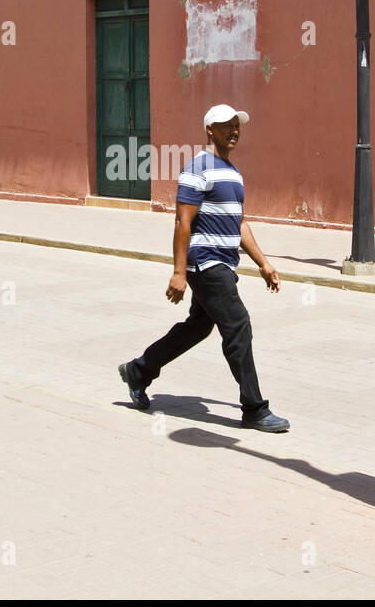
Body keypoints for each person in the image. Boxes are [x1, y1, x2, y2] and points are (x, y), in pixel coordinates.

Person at [117, 103, 290, 433]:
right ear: (210, 130)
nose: (235, 130)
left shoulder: (233, 173)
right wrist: (179, 272)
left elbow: (239, 224)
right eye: (227, 125)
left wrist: (264, 264)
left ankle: (139, 371)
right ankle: (254, 408)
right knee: (238, 325)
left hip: (224, 263)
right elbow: (183, 221)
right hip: (206, 264)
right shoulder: (197, 168)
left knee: (198, 327)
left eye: (237, 125)